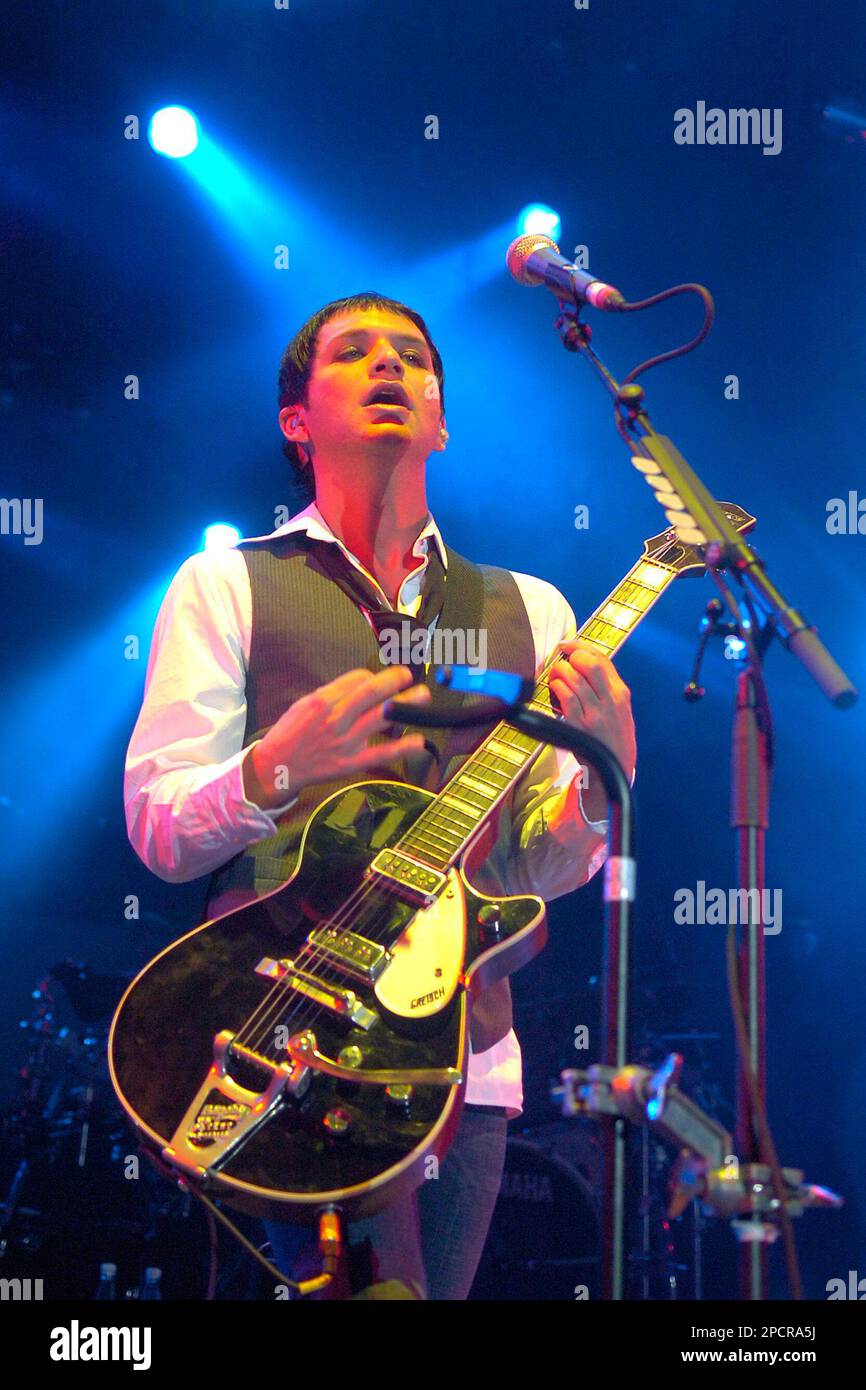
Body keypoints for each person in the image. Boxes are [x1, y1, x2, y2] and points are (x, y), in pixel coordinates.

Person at [124, 291, 636, 1299]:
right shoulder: (225, 582)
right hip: (271, 1033)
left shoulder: (528, 609)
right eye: (354, 354)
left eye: (412, 357)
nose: (390, 368)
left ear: (441, 422)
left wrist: (604, 773)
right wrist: (274, 768)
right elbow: (160, 832)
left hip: (461, 1058)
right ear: (297, 422)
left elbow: (536, 866)